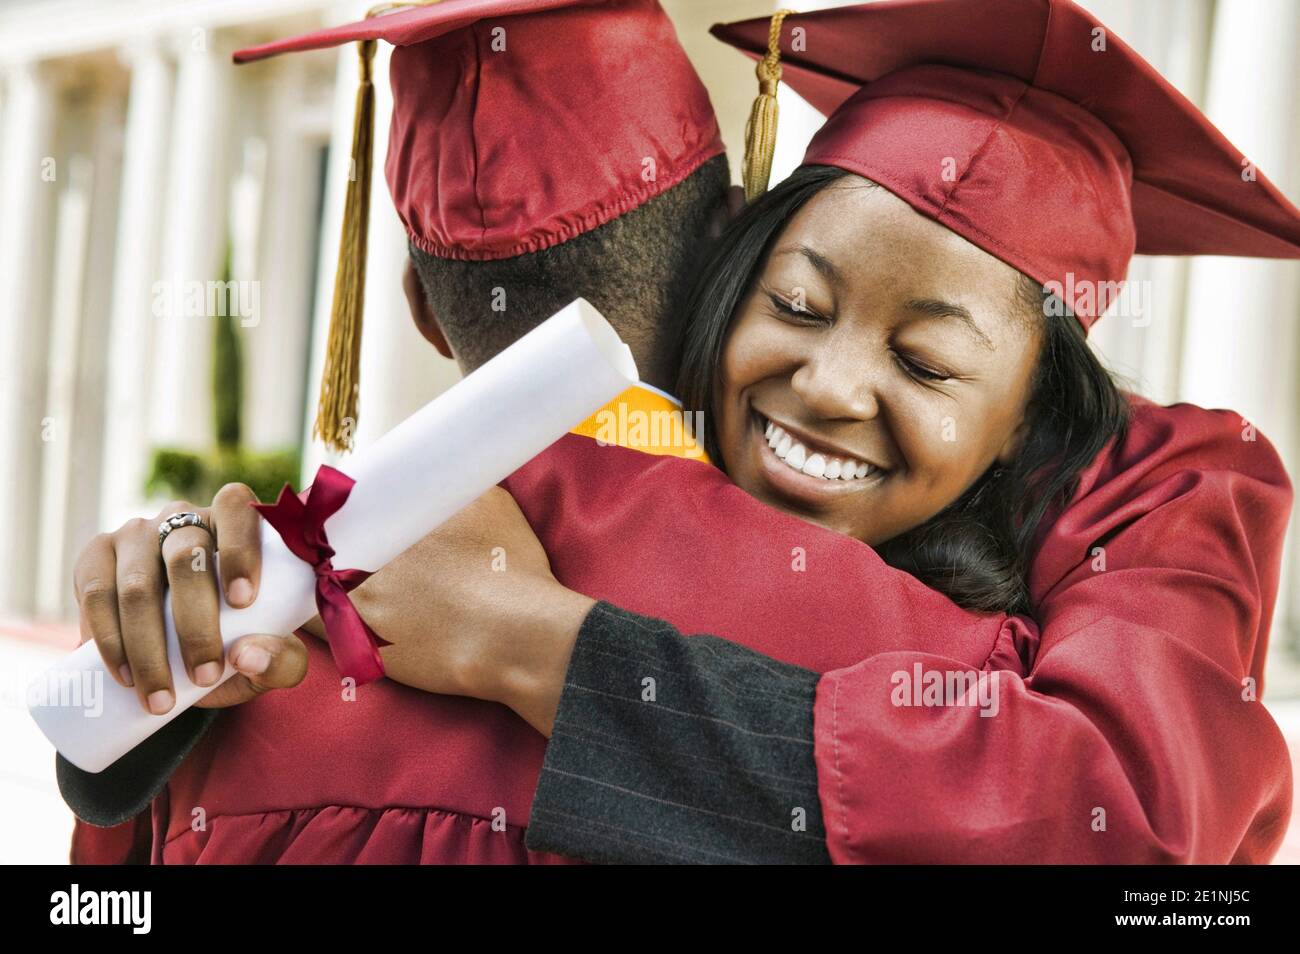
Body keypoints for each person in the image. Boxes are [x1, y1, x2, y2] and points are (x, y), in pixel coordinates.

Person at [64, 0, 1297, 864]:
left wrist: (534, 644)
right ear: (726, 263)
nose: (826, 387)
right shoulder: (958, 678)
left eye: (925, 360)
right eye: (798, 307)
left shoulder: (302, 588)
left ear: (1039, 431)